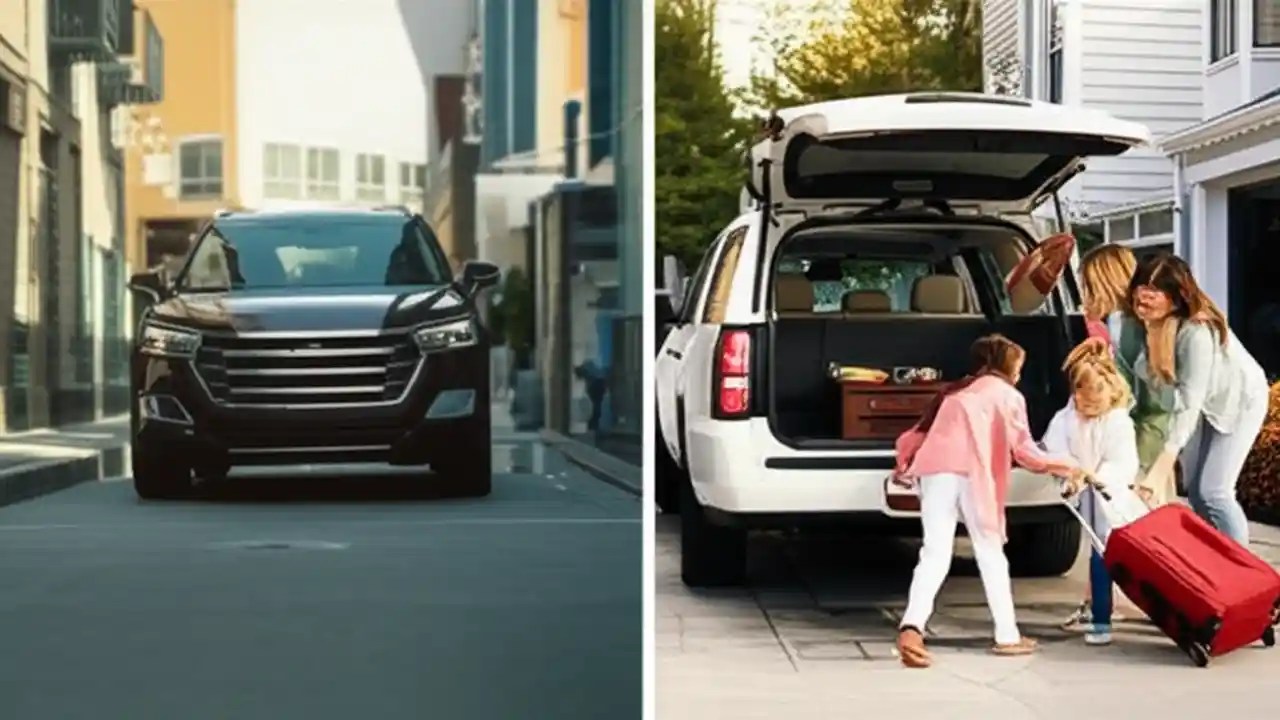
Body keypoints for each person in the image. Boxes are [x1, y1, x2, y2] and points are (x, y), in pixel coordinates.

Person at [893, 334, 1081, 668]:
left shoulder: (952, 392)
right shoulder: (1007, 395)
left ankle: (912, 627)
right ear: (1005, 366)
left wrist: (903, 466)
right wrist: (1068, 465)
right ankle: (1007, 635)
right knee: (990, 553)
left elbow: (913, 437)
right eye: (1018, 366)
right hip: (973, 476)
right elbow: (1025, 453)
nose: (1020, 373)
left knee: (934, 553)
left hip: (935, 472)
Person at [1123, 254, 1268, 546]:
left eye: (1156, 289)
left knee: (1215, 491)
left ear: (1176, 299)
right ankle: (1215, 564)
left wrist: (1163, 465)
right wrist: (1153, 342)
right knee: (1197, 492)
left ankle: (1243, 573)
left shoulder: (1196, 334)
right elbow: (1161, 390)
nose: (1145, 295)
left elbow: (1189, 403)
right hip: (1207, 404)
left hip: (1241, 401)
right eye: (1142, 284)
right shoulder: (1154, 326)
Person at [1061, 243, 1148, 631]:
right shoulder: (1113, 322)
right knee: (1110, 524)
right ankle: (1099, 602)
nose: (1085, 290)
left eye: (1090, 282)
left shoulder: (1123, 325)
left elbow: (1136, 386)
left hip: (1130, 430)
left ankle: (1110, 604)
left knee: (1117, 525)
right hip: (1123, 428)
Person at [1041, 339, 1141, 646]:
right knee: (1098, 551)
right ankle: (1101, 619)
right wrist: (1071, 474)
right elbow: (1055, 450)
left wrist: (1095, 478)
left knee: (1107, 552)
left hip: (1112, 497)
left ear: (1112, 389)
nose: (1090, 398)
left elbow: (1122, 462)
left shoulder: (1118, 422)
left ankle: (1103, 618)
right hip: (1086, 495)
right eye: (1082, 390)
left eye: (1097, 390)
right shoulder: (1066, 419)